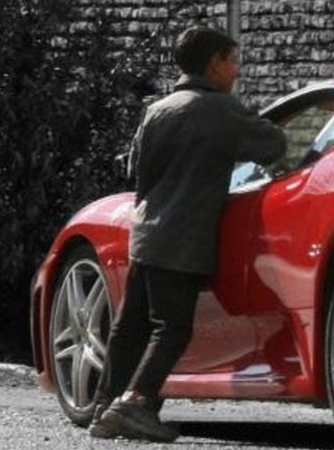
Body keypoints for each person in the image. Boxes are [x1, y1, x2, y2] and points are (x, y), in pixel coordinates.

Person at [89, 26, 287, 442]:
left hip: (146, 231)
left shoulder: (158, 109)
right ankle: (136, 403)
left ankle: (105, 408)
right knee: (172, 328)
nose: (236, 70)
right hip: (183, 237)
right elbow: (273, 145)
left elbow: (135, 169)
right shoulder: (219, 109)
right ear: (214, 63)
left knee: (131, 326)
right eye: (233, 61)